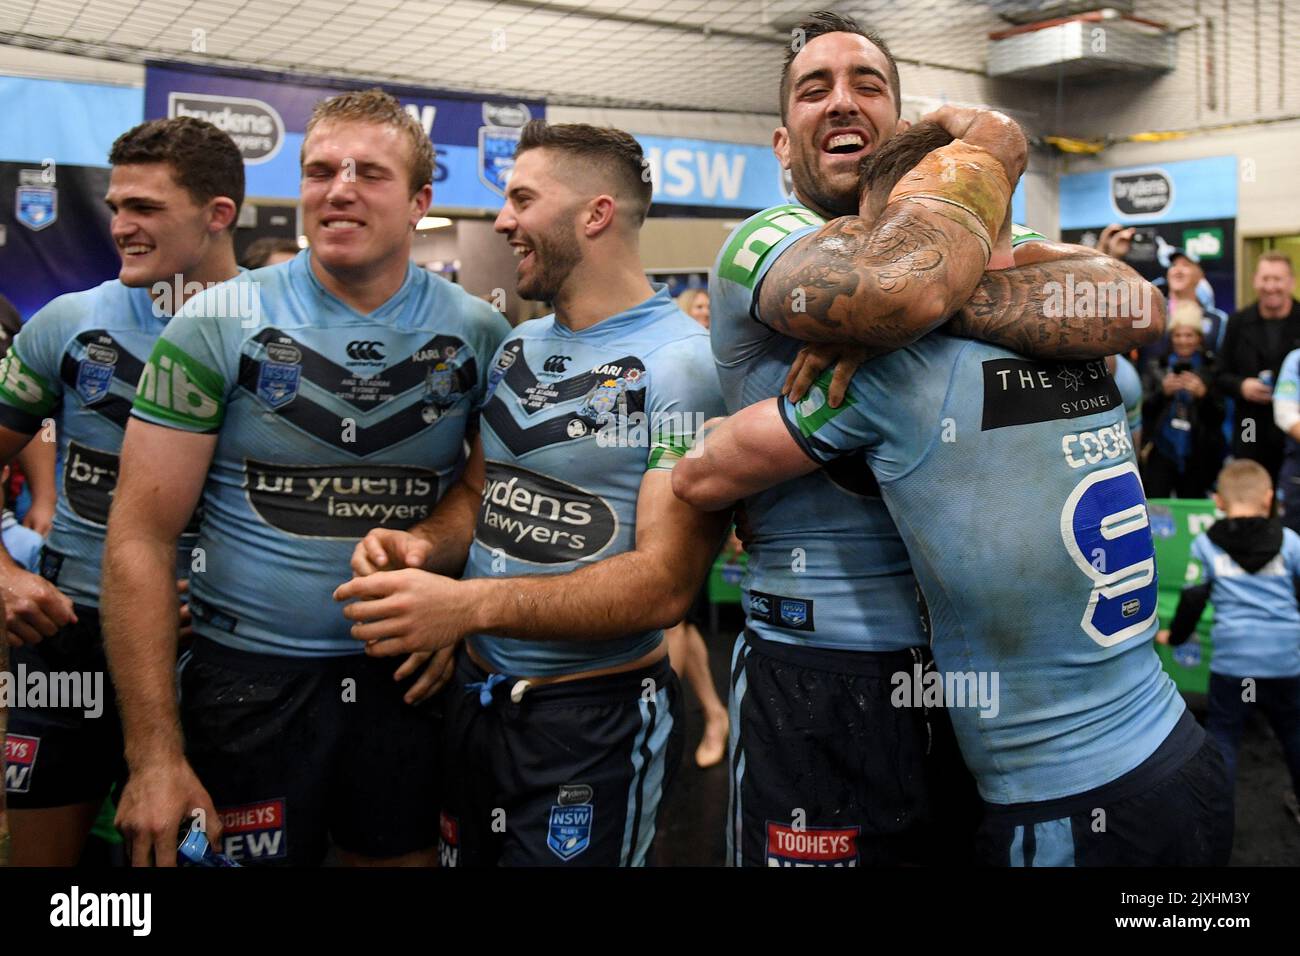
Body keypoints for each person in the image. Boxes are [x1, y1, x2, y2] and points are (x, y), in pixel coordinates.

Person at [675, 130, 1231, 867]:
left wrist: (696, 430)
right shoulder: (1106, 367)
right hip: (1178, 751)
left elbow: (701, 476)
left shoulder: (888, 379)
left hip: (1064, 800)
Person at [101, 89, 510, 867]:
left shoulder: (479, 333)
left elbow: (483, 495)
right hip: (245, 686)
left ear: (422, 201)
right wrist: (153, 756)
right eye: (320, 170)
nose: (340, 189)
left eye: (369, 173)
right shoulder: (216, 321)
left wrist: (445, 582)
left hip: (403, 678)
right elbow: (140, 536)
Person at [335, 121, 728, 867]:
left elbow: (663, 586)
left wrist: (466, 606)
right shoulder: (520, 345)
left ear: (596, 215)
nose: (504, 220)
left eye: (520, 199)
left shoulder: (681, 368)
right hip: (479, 701)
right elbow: (482, 492)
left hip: (591, 724)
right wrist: (425, 546)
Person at [0, 116, 244, 866]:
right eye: (114, 208)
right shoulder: (71, 323)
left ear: (217, 214)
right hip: (70, 637)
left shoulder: (278, 330)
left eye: (145, 209)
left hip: (225, 650)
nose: (122, 227)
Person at [1159, 460, 1300, 826]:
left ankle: (1216, 816)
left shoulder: (1206, 544)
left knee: (1224, 737)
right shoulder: (1291, 542)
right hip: (1286, 661)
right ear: (1270, 498)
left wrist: (1174, 638)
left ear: (1218, 501)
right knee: (1294, 734)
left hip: (1233, 664)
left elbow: (1192, 600)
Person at [666, 284, 729, 767]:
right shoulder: (672, 358)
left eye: (710, 305)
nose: (705, 311)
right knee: (675, 624)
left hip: (701, 509)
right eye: (698, 306)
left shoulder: (722, 360)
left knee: (674, 622)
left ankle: (675, 725)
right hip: (664, 504)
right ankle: (710, 715)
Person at [1217, 252, 1300, 481]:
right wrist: (1241, 386)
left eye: (1277, 279)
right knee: (1248, 478)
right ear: (1255, 281)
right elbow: (1220, 374)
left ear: (1291, 282)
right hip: (1249, 422)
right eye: (1265, 279)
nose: (1271, 286)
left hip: (1294, 424)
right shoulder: (1238, 322)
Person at [1140, 303, 1224, 498]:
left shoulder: (1212, 368)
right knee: (1157, 504)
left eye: (1189, 335)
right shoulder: (1156, 366)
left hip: (1198, 451)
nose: (1183, 341)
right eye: (1178, 335)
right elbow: (1144, 409)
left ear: (1199, 339)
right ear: (1171, 338)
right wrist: (1163, 393)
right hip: (1161, 448)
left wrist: (1204, 396)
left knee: (1193, 505)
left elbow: (1220, 415)